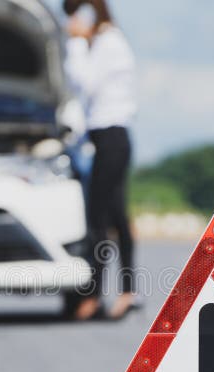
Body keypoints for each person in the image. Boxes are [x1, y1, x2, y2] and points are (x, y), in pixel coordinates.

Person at [62, 0, 139, 321]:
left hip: (110, 138)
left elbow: (83, 82)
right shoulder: (111, 41)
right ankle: (124, 291)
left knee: (99, 220)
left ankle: (94, 295)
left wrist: (77, 43)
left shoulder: (107, 44)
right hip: (109, 138)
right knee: (115, 217)